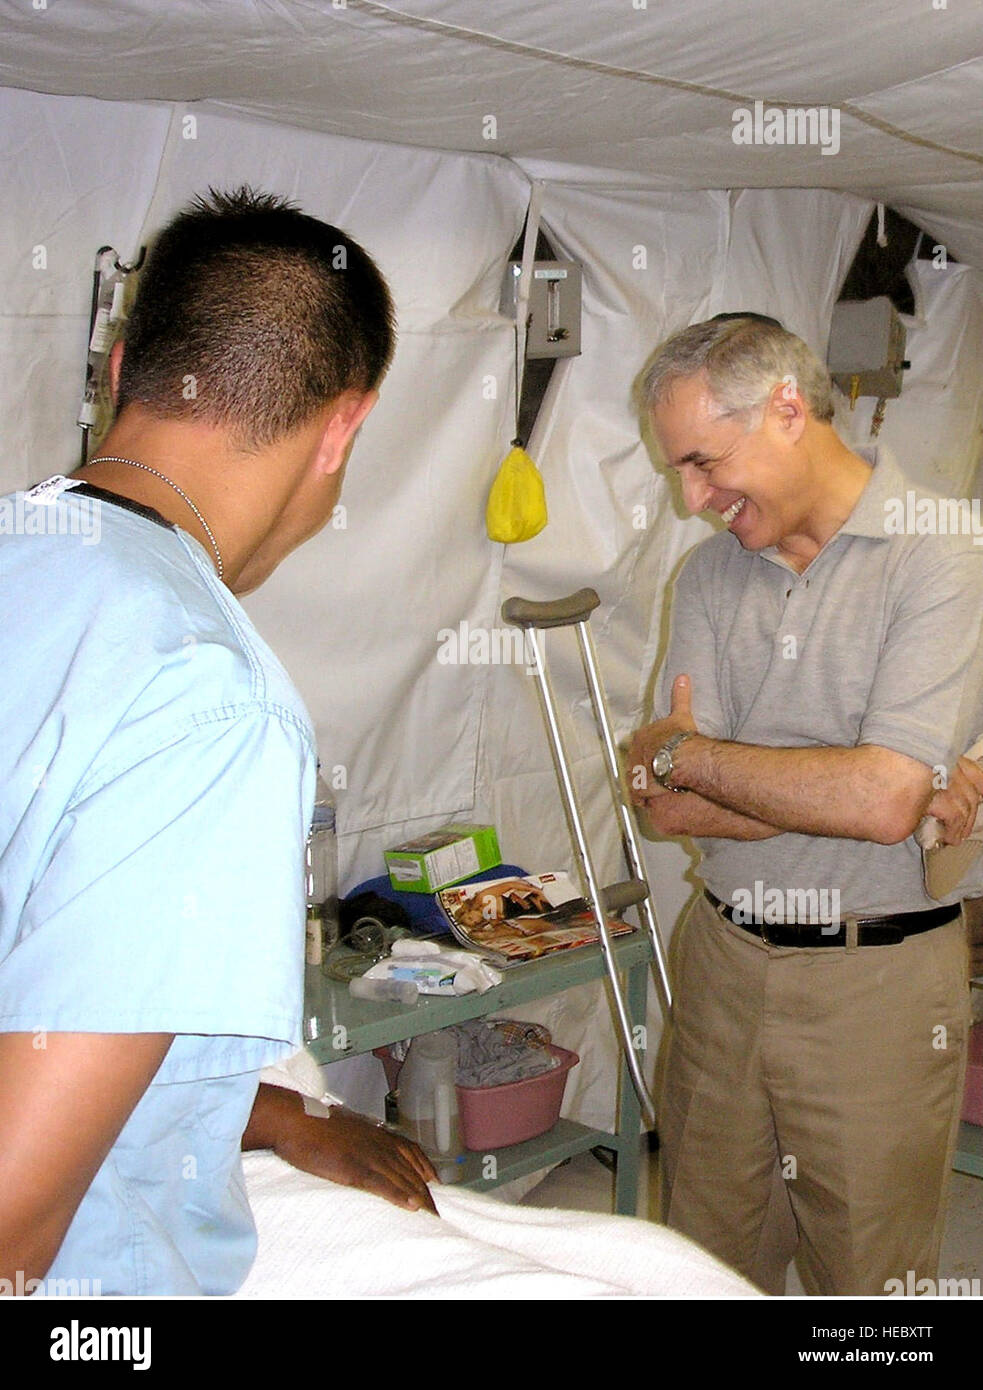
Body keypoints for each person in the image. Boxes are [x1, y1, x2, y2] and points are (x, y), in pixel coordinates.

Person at [0, 187, 436, 1298]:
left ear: (118, 366)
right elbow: (16, 1207)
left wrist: (270, 1111)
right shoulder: (207, 699)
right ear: (343, 426)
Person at [628, 315, 983, 1296]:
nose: (693, 498)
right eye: (678, 473)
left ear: (786, 408)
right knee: (698, 1268)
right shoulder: (705, 573)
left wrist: (702, 756)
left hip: (873, 987)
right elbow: (665, 804)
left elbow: (876, 801)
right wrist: (853, 781)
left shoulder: (936, 554)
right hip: (724, 967)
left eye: (702, 460)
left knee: (866, 1289)